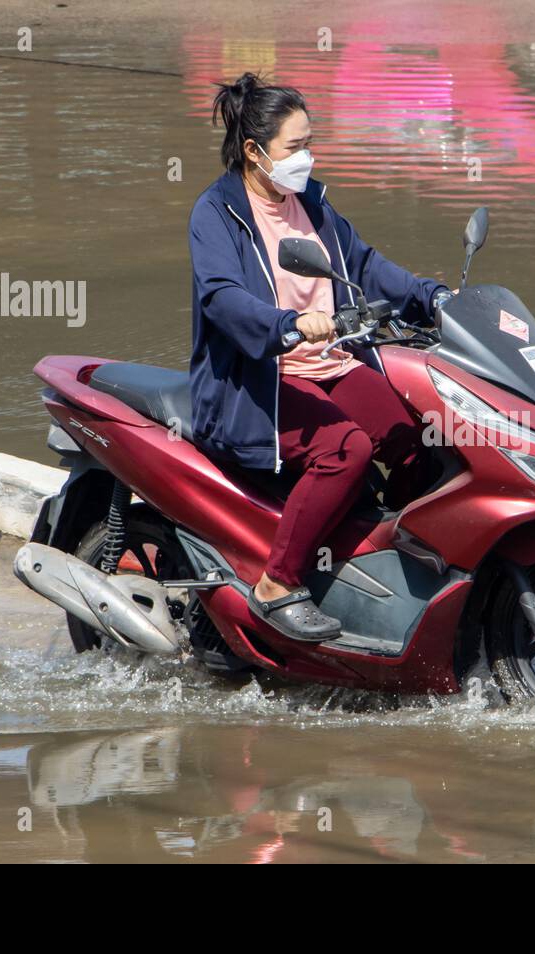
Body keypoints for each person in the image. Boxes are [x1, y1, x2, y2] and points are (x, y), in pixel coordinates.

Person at [187, 73, 451, 642]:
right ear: (255, 152)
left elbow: (365, 266)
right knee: (346, 450)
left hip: (331, 362)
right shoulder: (216, 213)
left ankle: (384, 568)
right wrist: (285, 324)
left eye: (310, 143)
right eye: (294, 147)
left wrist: (432, 296)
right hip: (261, 377)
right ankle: (277, 583)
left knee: (414, 436)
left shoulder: (311, 203)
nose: (306, 157)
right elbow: (222, 298)